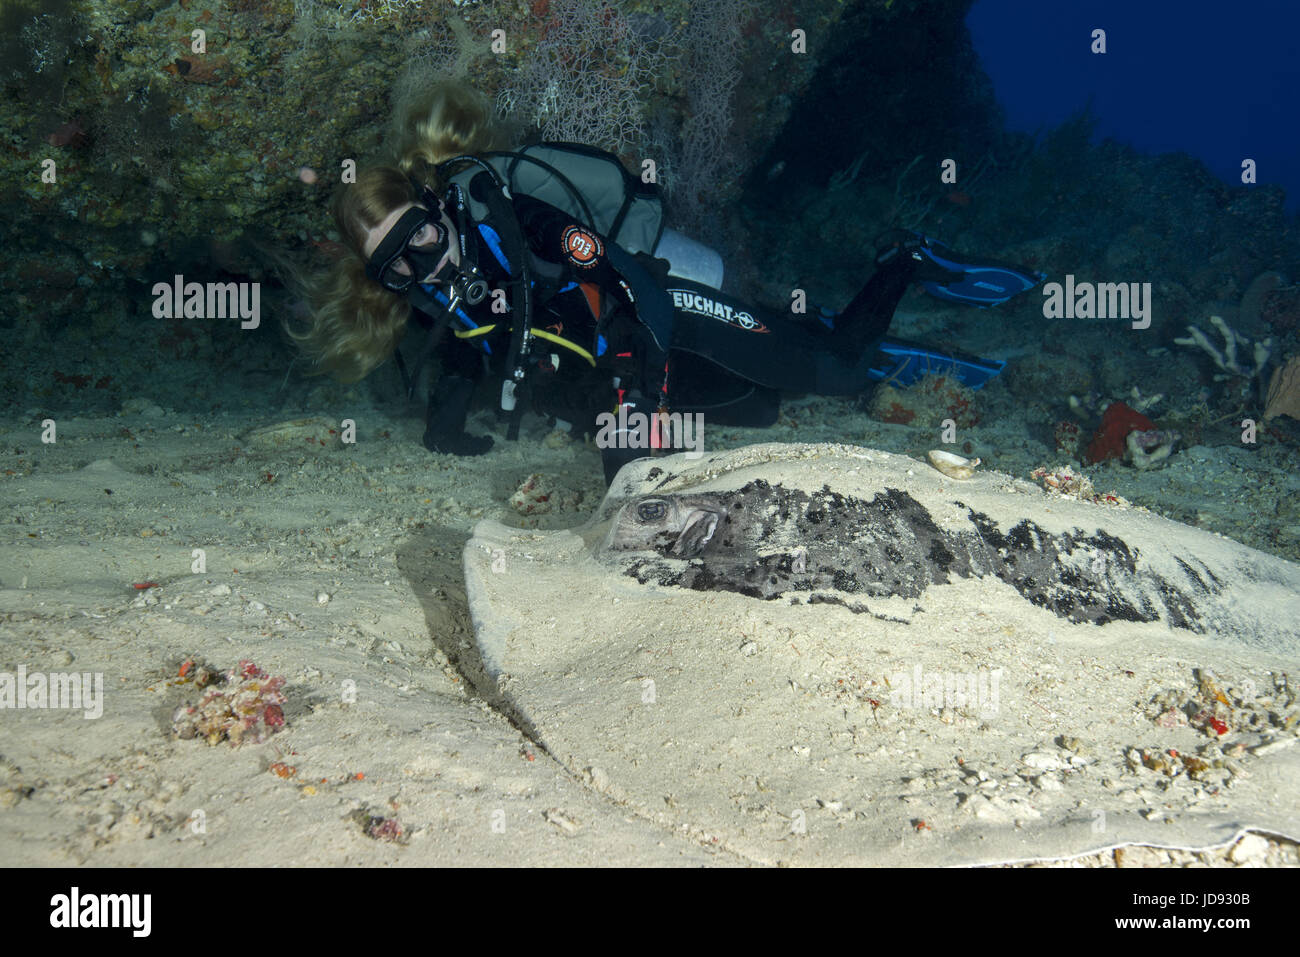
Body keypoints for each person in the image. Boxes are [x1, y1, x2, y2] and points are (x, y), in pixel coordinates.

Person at [287, 82, 1044, 482]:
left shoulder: (518, 222)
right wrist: (446, 428)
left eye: (418, 237)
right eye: (397, 265)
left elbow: (621, 293)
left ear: (436, 206)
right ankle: (829, 338)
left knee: (837, 371)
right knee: (762, 406)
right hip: (639, 360)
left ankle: (905, 260)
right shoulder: (441, 288)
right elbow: (468, 344)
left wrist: (632, 417)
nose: (424, 266)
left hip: (659, 300)